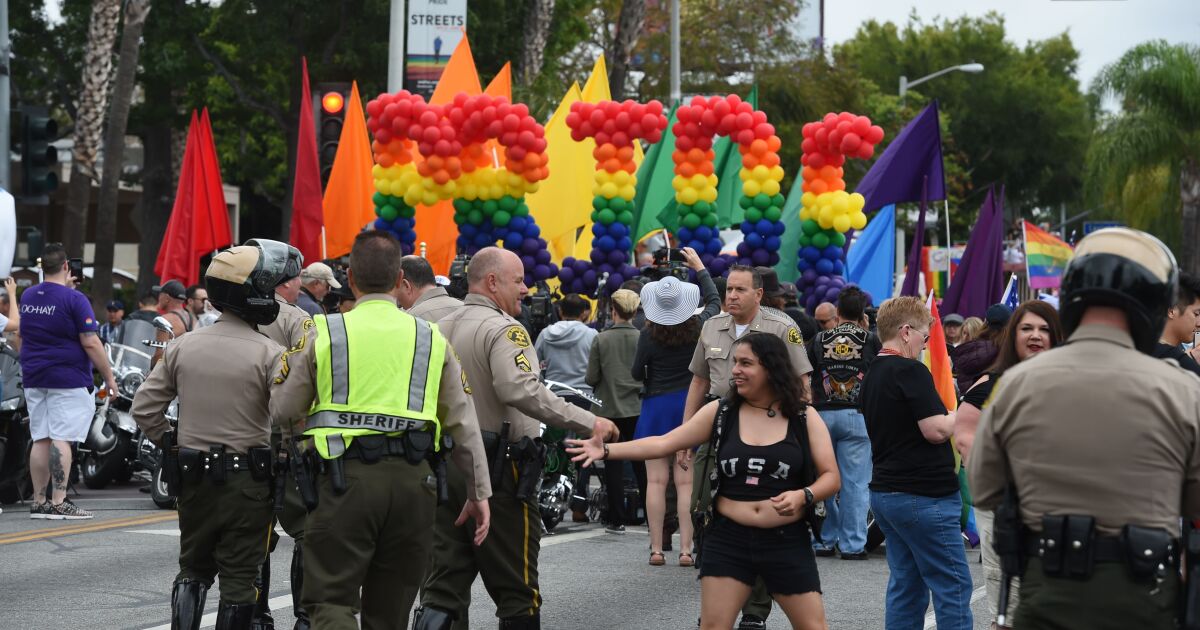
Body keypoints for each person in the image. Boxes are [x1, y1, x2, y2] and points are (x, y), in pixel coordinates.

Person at [970, 227, 1200, 628]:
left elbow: (986, 487)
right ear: (1154, 305)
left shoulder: (1017, 384)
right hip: (1143, 593)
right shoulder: (1182, 388)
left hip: (1047, 588)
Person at [271, 232, 493, 629]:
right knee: (390, 615)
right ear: (399, 281)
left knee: (332, 602)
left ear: (351, 278)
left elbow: (283, 409)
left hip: (341, 482)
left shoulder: (323, 331)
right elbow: (463, 421)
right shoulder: (431, 337)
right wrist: (478, 492)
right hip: (415, 484)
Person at [570, 333, 839, 630]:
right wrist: (606, 450)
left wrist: (804, 495)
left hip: (786, 541)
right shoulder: (721, 412)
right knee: (712, 626)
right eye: (735, 362)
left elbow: (831, 477)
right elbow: (663, 443)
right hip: (729, 540)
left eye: (746, 363)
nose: (735, 370)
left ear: (771, 369)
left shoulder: (803, 417)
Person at [416, 246, 618, 630]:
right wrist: (587, 421)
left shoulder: (437, 327)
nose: (525, 289)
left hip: (446, 465)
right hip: (498, 471)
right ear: (492, 282)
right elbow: (520, 389)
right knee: (518, 591)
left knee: (443, 585)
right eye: (518, 280)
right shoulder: (504, 328)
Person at [131, 242, 289, 629]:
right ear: (249, 294)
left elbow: (144, 409)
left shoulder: (182, 347)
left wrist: (171, 440)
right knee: (239, 578)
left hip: (193, 478)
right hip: (248, 481)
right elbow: (288, 418)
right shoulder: (271, 354)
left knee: (193, 568)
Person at [685, 264, 813, 630]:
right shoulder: (711, 326)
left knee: (761, 521)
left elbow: (802, 385)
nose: (731, 296)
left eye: (740, 290)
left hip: (766, 431)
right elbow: (698, 381)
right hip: (717, 426)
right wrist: (686, 432)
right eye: (729, 290)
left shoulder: (781, 328)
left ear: (758, 294)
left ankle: (755, 611)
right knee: (706, 511)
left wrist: (799, 436)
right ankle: (718, 602)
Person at [862, 296, 972, 630]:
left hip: (887, 492)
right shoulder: (910, 370)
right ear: (906, 332)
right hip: (923, 494)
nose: (927, 341)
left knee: (906, 585)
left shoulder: (873, 373)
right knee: (952, 584)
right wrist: (961, 415)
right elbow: (936, 430)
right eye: (925, 334)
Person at [953, 300, 1063, 628]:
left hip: (1060, 507)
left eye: (1044, 329)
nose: (1035, 336)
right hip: (1005, 506)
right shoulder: (993, 382)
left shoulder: (1068, 381)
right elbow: (965, 435)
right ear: (1013, 335)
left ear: (1057, 337)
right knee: (1008, 600)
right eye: (1026, 328)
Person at [633, 255, 720, 565]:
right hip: (689, 407)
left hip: (655, 406)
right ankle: (686, 549)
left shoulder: (647, 332)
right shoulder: (699, 327)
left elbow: (635, 372)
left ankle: (657, 549)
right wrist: (700, 267)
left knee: (656, 481)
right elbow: (714, 300)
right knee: (686, 483)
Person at [21, 244, 118, 520]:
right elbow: (90, 341)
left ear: (42, 267)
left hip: (34, 375)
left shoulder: (28, 295)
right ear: (66, 267)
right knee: (62, 438)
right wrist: (109, 377)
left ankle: (39, 502)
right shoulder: (75, 300)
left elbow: (23, 337)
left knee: (41, 437)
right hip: (67, 376)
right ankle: (59, 501)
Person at [251, 240, 314, 630]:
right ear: (284, 282)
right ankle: (305, 617)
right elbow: (314, 377)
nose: (300, 285)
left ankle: (256, 615)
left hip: (245, 436)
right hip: (289, 438)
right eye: (298, 278)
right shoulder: (296, 319)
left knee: (255, 529)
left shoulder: (231, 313)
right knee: (307, 530)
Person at [807, 285, 880, 560]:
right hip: (858, 415)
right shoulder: (870, 339)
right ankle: (852, 544)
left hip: (823, 414)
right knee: (856, 484)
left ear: (837, 311)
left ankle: (825, 539)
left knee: (825, 478)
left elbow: (805, 369)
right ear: (862, 313)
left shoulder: (819, 338)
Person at [585, 289, 644, 535]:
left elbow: (591, 377)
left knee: (613, 464)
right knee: (642, 462)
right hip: (638, 406)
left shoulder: (602, 338)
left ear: (613, 310)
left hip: (608, 409)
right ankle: (652, 516)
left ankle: (616, 518)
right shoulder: (643, 337)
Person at [534, 293, 597, 397]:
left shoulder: (545, 334)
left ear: (560, 311)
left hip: (553, 396)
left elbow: (533, 364)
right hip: (585, 396)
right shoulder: (592, 334)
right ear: (583, 313)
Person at [950, 304, 1010, 394]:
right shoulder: (1004, 351)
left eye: (969, 333)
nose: (965, 337)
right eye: (964, 333)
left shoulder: (972, 350)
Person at [1152, 271, 1200, 376]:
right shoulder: (1183, 365)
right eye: (1196, 314)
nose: (1199, 324)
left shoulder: (1138, 348)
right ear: (1171, 311)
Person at [399, 255, 462, 322]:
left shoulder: (411, 318)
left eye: (396, 289)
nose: (396, 297)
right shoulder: (464, 308)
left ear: (406, 285)